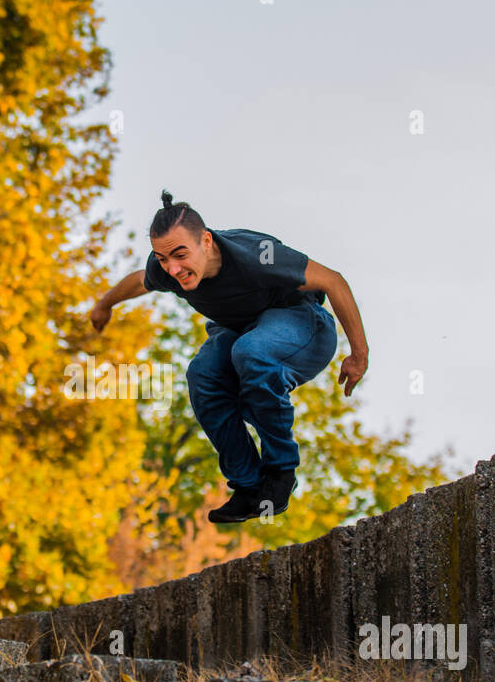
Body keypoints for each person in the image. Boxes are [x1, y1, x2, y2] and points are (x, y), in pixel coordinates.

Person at [90, 190, 369, 524]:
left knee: (250, 351)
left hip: (302, 323)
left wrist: (358, 354)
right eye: (163, 259)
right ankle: (249, 486)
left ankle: (280, 470)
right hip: (243, 331)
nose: (174, 269)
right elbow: (139, 281)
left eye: (180, 255)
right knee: (202, 374)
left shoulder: (256, 256)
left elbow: (333, 281)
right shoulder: (166, 268)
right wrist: (104, 304)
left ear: (206, 241)